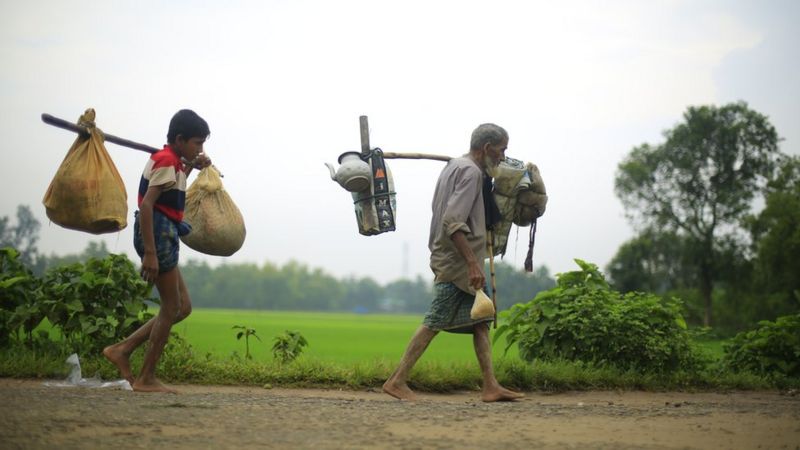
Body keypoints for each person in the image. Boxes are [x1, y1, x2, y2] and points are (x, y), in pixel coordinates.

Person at [383, 123, 525, 402]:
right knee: (435, 320)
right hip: (457, 261)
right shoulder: (470, 173)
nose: (502, 157)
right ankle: (396, 381)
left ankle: (490, 386)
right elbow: (452, 221)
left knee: (482, 319)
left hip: (453, 255)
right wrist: (472, 263)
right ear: (486, 148)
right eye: (501, 150)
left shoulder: (455, 166)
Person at [103, 109, 211, 393]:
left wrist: (191, 167)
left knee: (182, 307)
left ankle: (123, 349)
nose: (200, 149)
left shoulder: (173, 163)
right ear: (179, 139)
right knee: (171, 307)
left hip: (165, 233)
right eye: (197, 143)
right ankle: (146, 378)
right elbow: (148, 205)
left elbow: (170, 187)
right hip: (158, 234)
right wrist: (150, 253)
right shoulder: (165, 161)